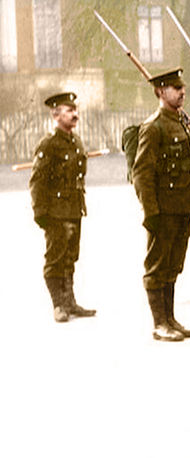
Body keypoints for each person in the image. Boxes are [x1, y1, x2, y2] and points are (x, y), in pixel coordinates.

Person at [132, 68, 190, 341]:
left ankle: (171, 319)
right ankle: (159, 323)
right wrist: (151, 212)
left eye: (182, 87)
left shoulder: (181, 121)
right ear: (160, 92)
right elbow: (142, 173)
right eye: (175, 88)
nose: (182, 91)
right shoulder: (154, 126)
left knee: (174, 264)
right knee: (158, 266)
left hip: (182, 205)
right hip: (163, 208)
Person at [30, 91, 95, 323]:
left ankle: (70, 302)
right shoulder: (48, 143)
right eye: (69, 111)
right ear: (56, 115)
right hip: (56, 211)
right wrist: (41, 214)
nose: (75, 114)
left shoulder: (75, 141)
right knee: (55, 258)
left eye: (75, 110)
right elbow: (37, 181)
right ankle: (58, 305)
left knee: (71, 257)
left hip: (74, 207)